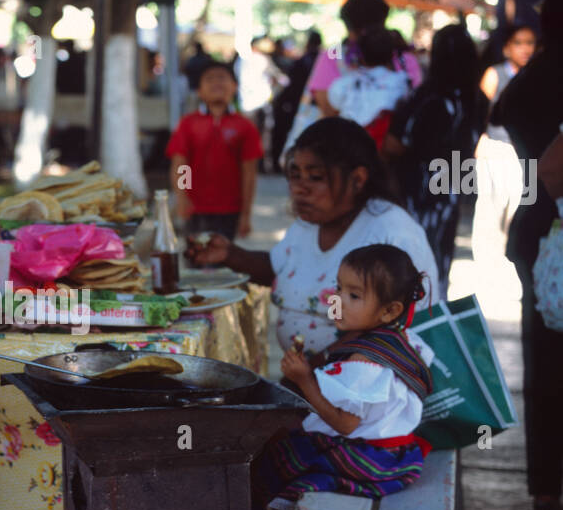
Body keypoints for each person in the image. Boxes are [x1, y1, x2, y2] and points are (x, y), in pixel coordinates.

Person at [189, 117, 439, 355]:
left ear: (358, 179)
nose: (300, 188)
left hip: (358, 388)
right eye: (295, 175)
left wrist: (309, 377)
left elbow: (392, 329)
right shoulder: (309, 224)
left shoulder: (391, 232)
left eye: (316, 177)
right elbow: (283, 269)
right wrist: (230, 254)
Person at [251, 244, 432, 510]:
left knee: (276, 456)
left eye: (354, 296)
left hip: (369, 459)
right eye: (338, 288)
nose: (337, 300)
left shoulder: (363, 363)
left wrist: (306, 380)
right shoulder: (396, 339)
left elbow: (345, 425)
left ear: (390, 311)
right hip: (397, 453)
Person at [495, 0, 563, 510]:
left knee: (545, 366)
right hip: (548, 236)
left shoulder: (534, 76)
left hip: (537, 231)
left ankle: (545, 490)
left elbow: (503, 110)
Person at [383, 23, 480, 291]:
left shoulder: (427, 98)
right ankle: (433, 320)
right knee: (437, 263)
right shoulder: (474, 99)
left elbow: (393, 144)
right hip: (449, 191)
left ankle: (413, 324)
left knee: (412, 264)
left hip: (417, 192)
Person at [167, 58, 263, 240]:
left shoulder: (245, 126)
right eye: (210, 79)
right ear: (199, 90)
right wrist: (182, 197)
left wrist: (246, 214)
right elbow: (181, 165)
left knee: (225, 263)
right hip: (195, 209)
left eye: (222, 78)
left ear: (234, 86)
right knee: (195, 262)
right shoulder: (188, 124)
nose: (216, 83)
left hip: (230, 210)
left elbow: (249, 173)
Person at [472, 23, 537, 273]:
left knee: (516, 204)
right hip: (496, 147)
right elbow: (480, 114)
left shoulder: (534, 76)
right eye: (519, 43)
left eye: (530, 43)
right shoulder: (495, 74)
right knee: (491, 203)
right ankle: (486, 261)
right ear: (508, 47)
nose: (525, 49)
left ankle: (505, 259)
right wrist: (480, 143)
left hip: (522, 152)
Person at [308, 0, 422, 117]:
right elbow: (413, 104)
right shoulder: (404, 59)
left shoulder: (333, 56)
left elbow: (327, 109)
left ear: (349, 27)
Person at [326, 25, 412, 149]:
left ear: (360, 54)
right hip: (379, 149)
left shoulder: (344, 83)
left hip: (346, 146)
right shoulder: (400, 83)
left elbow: (334, 103)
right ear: (391, 54)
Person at [271, 29, 322, 170]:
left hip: (298, 104)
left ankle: (280, 163)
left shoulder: (307, 60)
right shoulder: (319, 59)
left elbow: (292, 84)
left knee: (285, 133)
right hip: (311, 106)